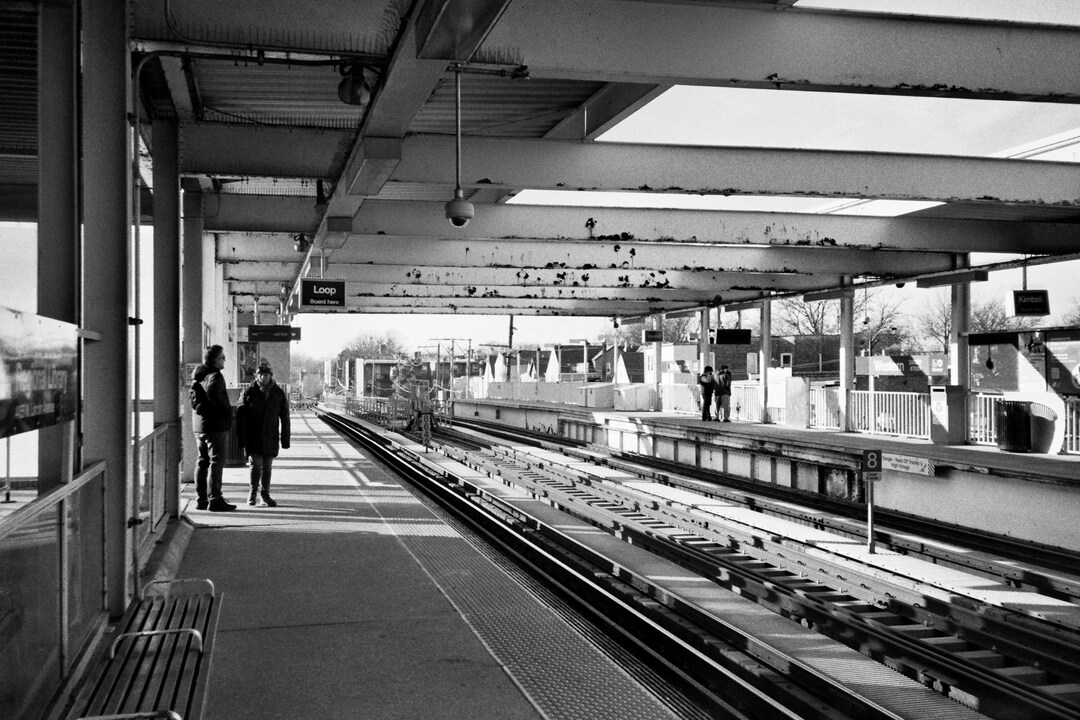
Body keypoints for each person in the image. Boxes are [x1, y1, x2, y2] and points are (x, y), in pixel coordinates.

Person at [237, 362, 291, 507]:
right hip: (253, 436)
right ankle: (252, 493)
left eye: (266, 375)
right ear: (256, 375)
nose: (263, 377)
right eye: (260, 374)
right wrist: (242, 439)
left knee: (267, 466)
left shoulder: (278, 393)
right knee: (256, 465)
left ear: (270, 376)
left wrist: (285, 440)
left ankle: (265, 495)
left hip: (270, 436)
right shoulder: (248, 392)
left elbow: (285, 417)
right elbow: (241, 416)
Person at [191, 345, 237, 512]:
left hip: (200, 426)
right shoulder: (215, 376)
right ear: (215, 360)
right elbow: (216, 398)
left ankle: (201, 499)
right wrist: (228, 413)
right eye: (222, 357)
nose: (224, 360)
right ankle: (215, 499)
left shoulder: (199, 376)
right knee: (216, 462)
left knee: (202, 461)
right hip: (215, 427)